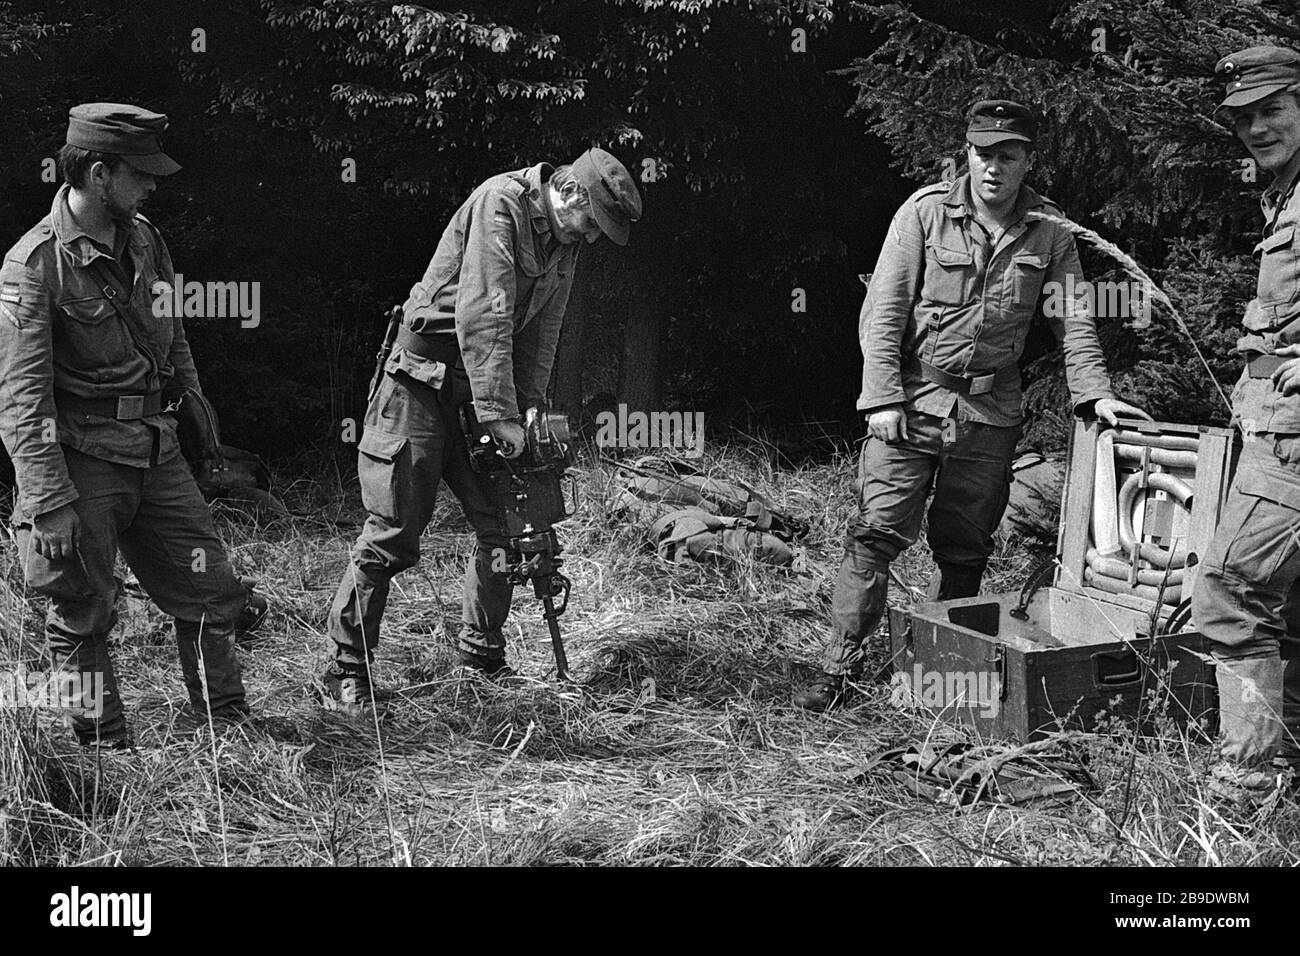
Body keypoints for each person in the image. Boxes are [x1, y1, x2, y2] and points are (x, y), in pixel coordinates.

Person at [794, 100, 1149, 712]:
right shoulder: (925, 213)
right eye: (983, 153)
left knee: (964, 550)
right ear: (968, 153)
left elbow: (1075, 317)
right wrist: (881, 396)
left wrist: (1094, 393)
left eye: (1006, 155)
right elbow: (884, 309)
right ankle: (839, 665)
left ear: (1027, 161)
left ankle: (938, 669)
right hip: (912, 401)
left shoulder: (1051, 230)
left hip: (991, 413)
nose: (992, 167)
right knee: (874, 536)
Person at [323, 148, 642, 715]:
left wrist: (531, 411)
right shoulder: (502, 203)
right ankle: (347, 668)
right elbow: (483, 315)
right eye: (594, 222)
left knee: (504, 528)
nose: (592, 238)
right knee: (393, 532)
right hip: (419, 385)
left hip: (478, 389)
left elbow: (543, 333)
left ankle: (481, 659)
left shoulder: (564, 243)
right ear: (569, 194)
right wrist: (500, 414)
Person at [0, 103, 254, 747]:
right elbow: (22, 401)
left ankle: (226, 729)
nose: (152, 185)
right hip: (81, 458)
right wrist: (49, 501)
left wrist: (197, 419)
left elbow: (174, 341)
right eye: (139, 173)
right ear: (98, 173)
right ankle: (104, 747)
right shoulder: (32, 268)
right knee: (81, 611)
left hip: (156, 448)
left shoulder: (146, 239)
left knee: (210, 588)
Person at [1193, 45, 1300, 802]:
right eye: (1244, 118)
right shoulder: (1285, 194)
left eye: (1273, 109)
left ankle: (1247, 786)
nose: (1258, 128)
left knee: (1230, 589)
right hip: (1271, 425)